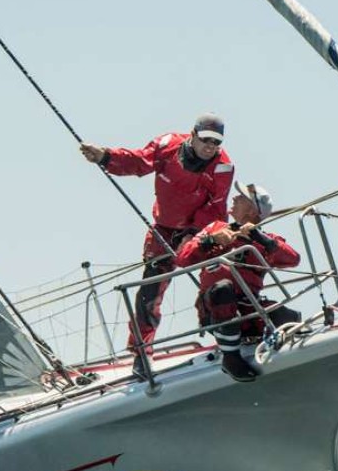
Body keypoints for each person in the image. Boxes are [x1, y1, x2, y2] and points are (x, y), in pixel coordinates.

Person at [80, 114, 235, 377]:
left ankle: (228, 333)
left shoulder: (222, 166)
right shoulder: (167, 145)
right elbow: (139, 162)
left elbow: (217, 206)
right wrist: (105, 156)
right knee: (149, 295)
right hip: (163, 231)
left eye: (216, 142)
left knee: (220, 277)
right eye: (206, 139)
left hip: (201, 230)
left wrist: (194, 233)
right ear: (193, 135)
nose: (210, 146)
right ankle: (142, 352)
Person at [175, 182, 301, 381]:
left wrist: (259, 237)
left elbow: (293, 259)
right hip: (215, 305)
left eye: (240, 198)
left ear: (252, 210)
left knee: (285, 315)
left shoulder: (265, 239)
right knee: (223, 289)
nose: (233, 199)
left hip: (249, 307)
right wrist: (211, 241)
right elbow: (183, 258)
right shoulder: (215, 228)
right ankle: (231, 358)